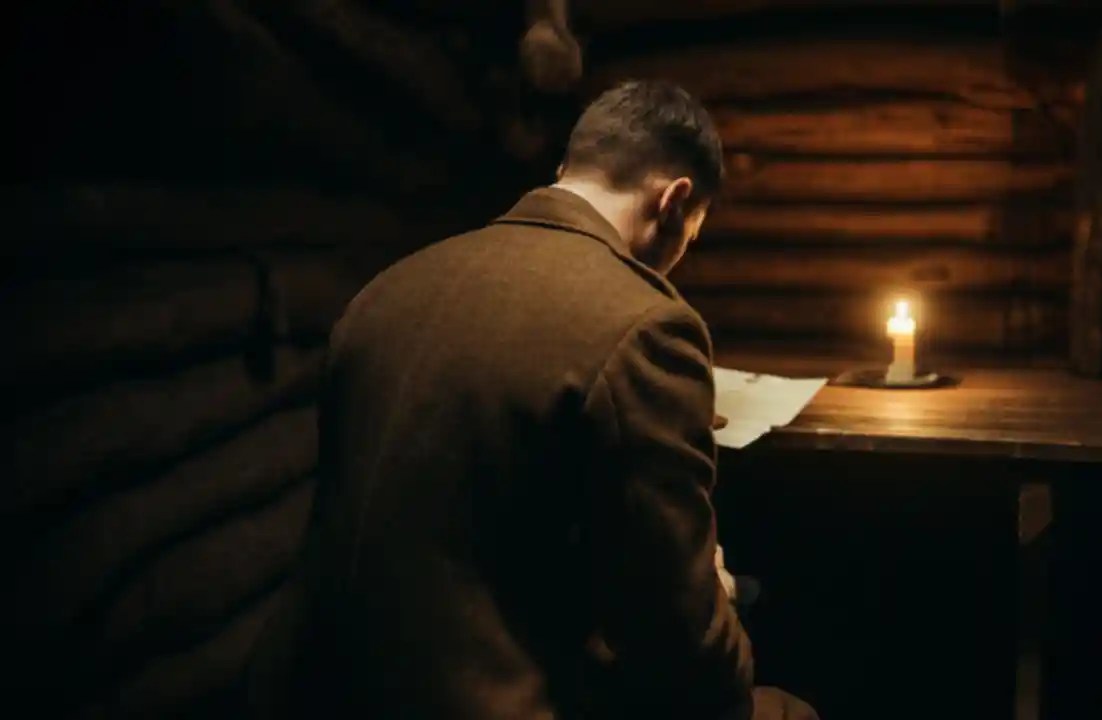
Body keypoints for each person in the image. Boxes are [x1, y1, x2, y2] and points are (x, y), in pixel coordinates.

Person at [245, 80, 818, 720]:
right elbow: (680, 646)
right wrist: (713, 592)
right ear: (675, 201)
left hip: (316, 695)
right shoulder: (646, 325)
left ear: (566, 171)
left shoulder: (386, 289)